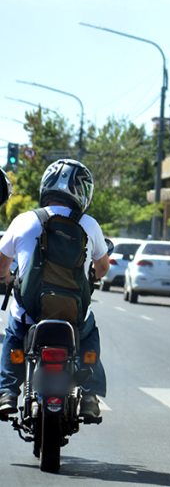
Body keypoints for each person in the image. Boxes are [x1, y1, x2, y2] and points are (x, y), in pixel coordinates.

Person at [0, 160, 110, 419]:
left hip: (31, 313)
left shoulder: (24, 220)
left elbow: (1, 265)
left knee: (14, 336)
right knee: (89, 335)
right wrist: (91, 276)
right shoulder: (90, 224)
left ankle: (7, 392)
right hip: (73, 315)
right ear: (82, 193)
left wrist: (7, 278)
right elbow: (103, 267)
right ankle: (91, 396)